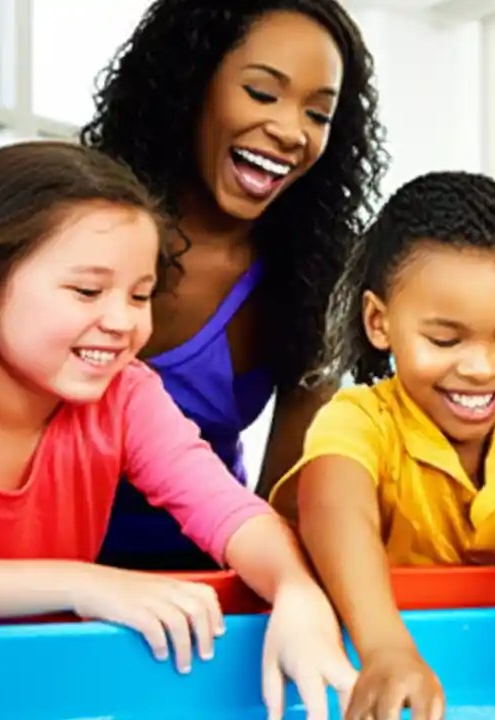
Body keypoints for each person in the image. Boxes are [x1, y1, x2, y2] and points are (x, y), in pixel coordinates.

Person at [0, 142, 356, 719]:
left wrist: (296, 588)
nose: (121, 322)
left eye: (140, 295)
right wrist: (81, 584)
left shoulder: (126, 395)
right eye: (87, 291)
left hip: (31, 691)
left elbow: (227, 509)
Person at [269, 171, 495, 720]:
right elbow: (333, 510)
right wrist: (385, 647)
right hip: (399, 661)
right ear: (379, 322)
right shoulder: (360, 419)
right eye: (445, 340)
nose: (480, 368)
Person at [80, 0, 388, 569]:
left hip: (209, 576)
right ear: (190, 83)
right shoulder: (71, 224)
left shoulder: (312, 276)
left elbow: (287, 498)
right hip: (45, 576)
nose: (291, 131)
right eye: (262, 93)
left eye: (319, 115)